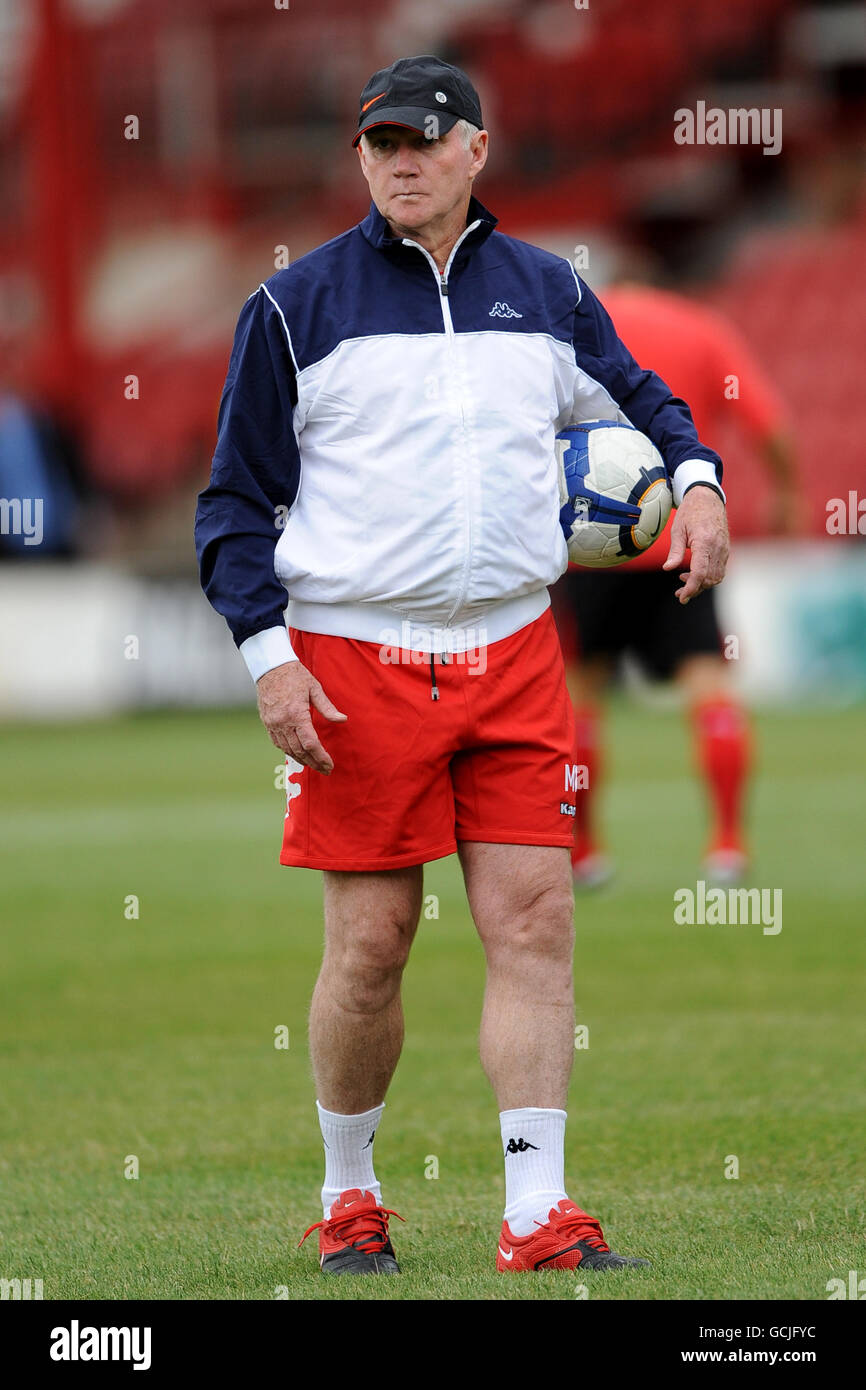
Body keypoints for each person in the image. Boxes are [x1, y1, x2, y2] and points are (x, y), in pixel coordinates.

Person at [194, 55, 728, 1277]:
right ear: (359, 158)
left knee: (534, 924)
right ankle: (348, 1193)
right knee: (373, 941)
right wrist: (270, 659)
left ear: (476, 149)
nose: (400, 160)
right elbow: (232, 506)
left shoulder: (547, 291)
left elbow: (650, 406)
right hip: (352, 661)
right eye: (379, 142)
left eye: (424, 139)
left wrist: (693, 485)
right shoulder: (294, 307)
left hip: (512, 649)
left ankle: (536, 1213)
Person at [552, 279, 797, 886]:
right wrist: (789, 493)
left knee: (579, 702)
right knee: (710, 691)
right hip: (683, 541)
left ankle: (585, 854)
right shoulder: (701, 327)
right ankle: (728, 845)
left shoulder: (573, 325)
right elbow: (770, 423)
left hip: (590, 551)